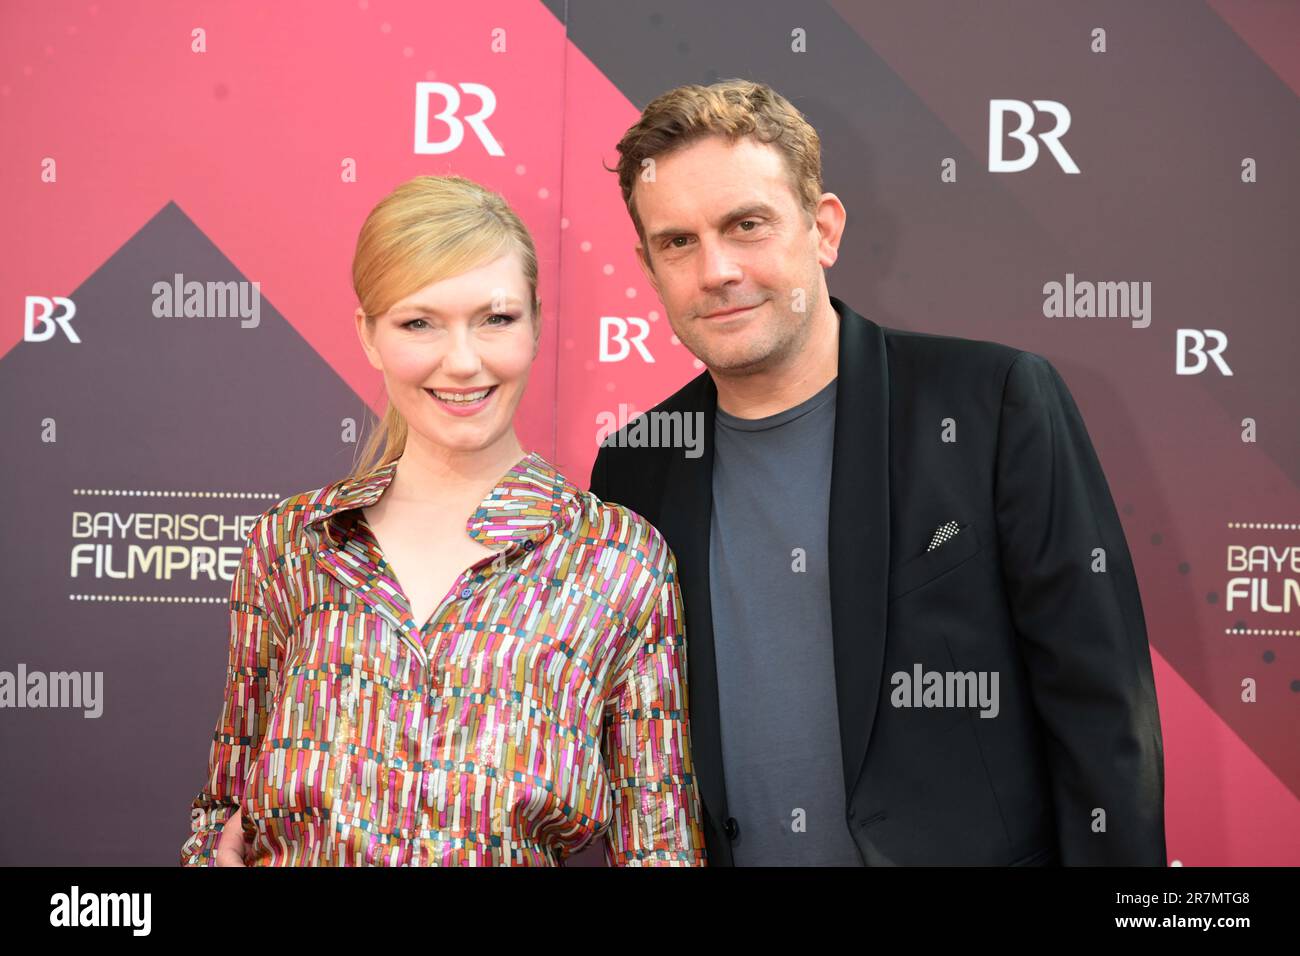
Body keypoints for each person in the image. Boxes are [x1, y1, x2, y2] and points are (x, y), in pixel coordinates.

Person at [589, 80, 1167, 866]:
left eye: (746, 225)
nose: (716, 269)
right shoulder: (636, 464)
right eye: (677, 242)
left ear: (823, 229)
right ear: (648, 267)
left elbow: (1105, 717)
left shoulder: (993, 404)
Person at [180, 175, 705, 867]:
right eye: (419, 322)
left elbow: (660, 849)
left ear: (537, 325)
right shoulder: (293, 544)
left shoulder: (617, 560)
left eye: (495, 319)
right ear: (369, 335)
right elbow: (222, 810)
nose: (462, 362)